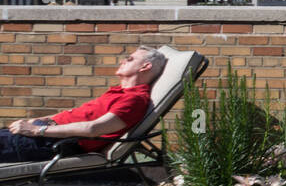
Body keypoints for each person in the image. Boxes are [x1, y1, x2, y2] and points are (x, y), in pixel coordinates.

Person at [1, 46, 166, 164]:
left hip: (53, 142)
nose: (123, 60)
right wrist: (34, 121)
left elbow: (93, 129)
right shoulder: (117, 92)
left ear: (145, 66)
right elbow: (72, 115)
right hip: (45, 133)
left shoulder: (134, 100)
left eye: (129, 59)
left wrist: (38, 130)